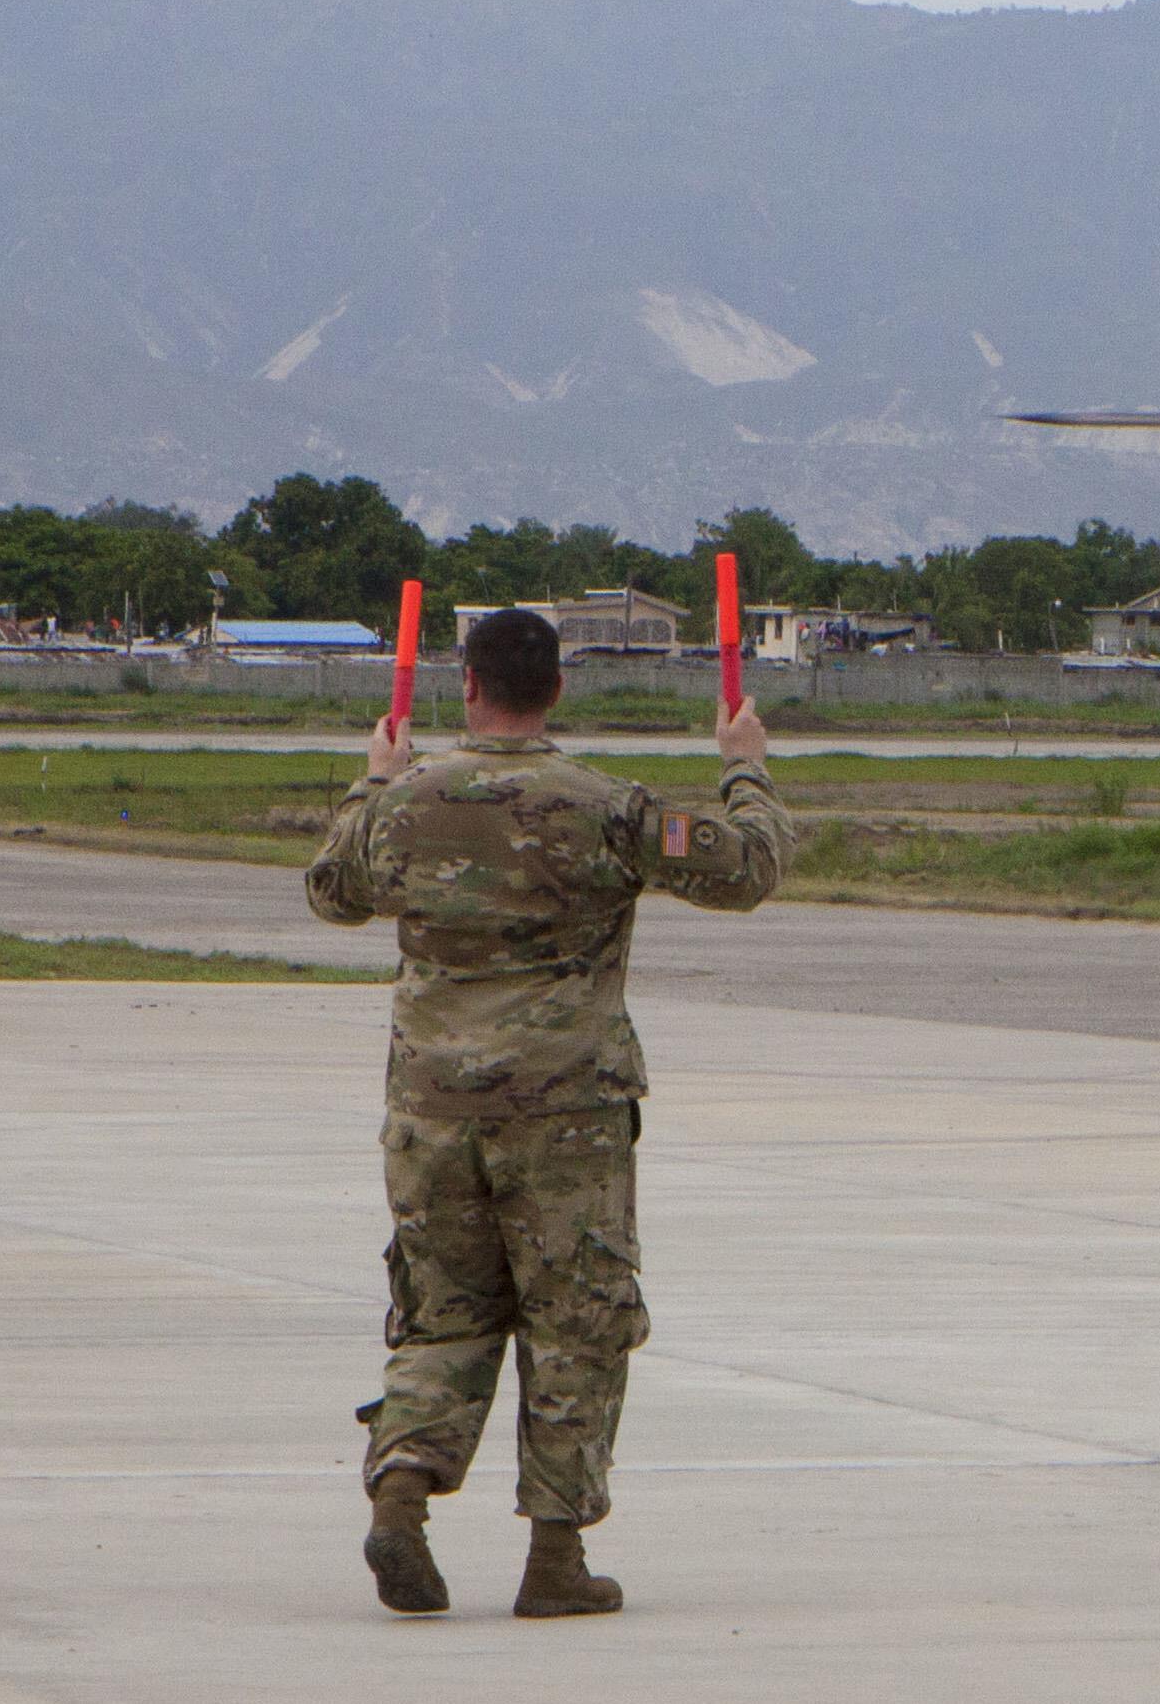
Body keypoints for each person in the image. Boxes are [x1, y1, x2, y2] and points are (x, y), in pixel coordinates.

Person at [305, 605, 789, 1619]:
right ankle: (555, 1556)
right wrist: (743, 763)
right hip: (565, 1108)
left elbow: (333, 889)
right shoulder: (606, 806)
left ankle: (402, 1485)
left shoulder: (409, 802)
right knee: (576, 1323)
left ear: (467, 686)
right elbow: (745, 868)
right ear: (555, 690)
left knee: (445, 1313)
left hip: (431, 1108)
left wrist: (377, 777)